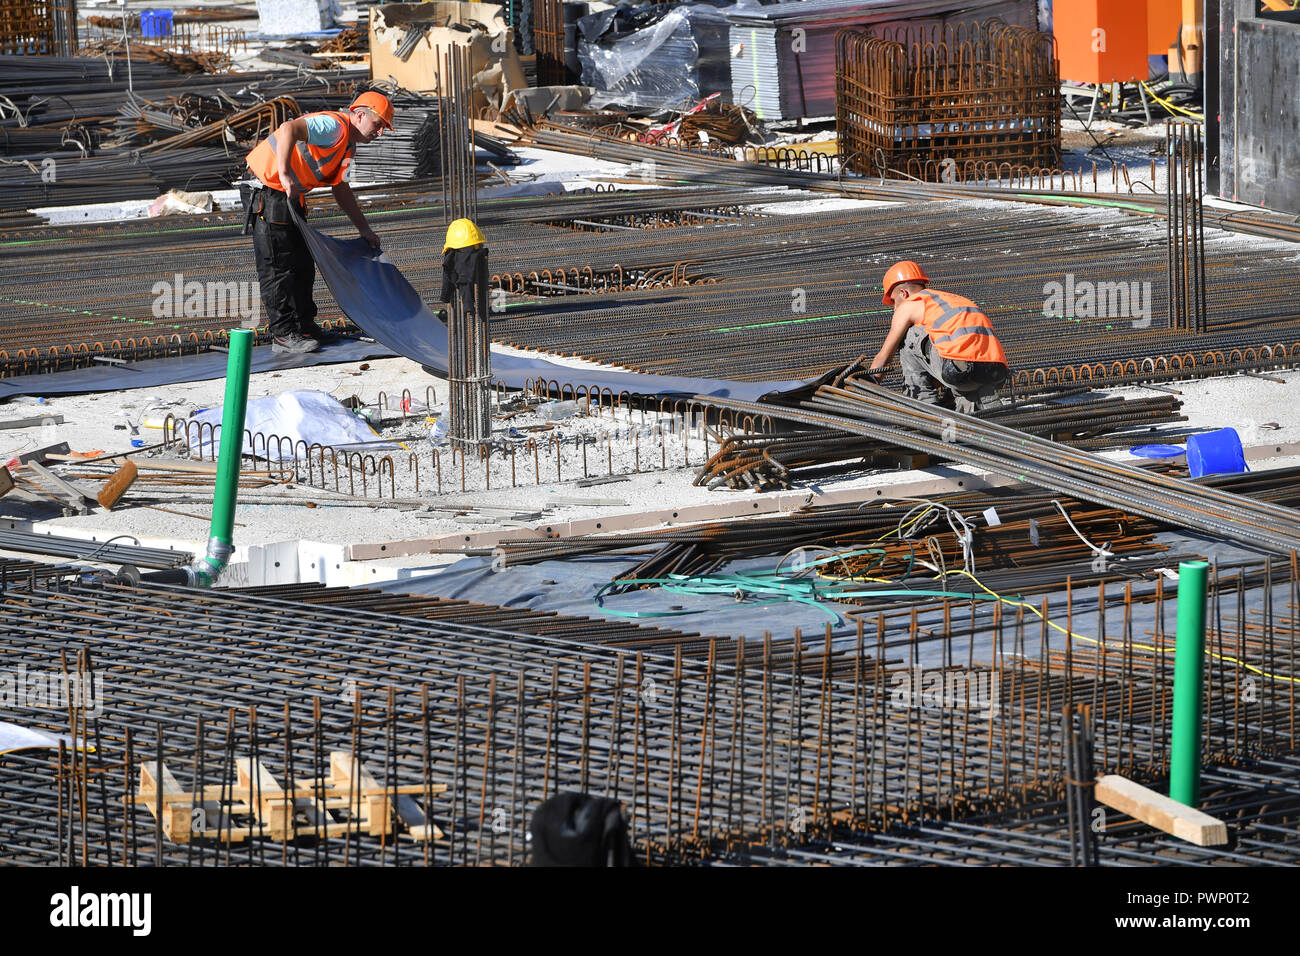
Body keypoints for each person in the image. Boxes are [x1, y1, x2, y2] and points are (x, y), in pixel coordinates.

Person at [241, 91, 394, 354]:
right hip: (267, 189)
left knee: (302, 264)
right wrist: (286, 173)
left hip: (287, 193)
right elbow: (289, 128)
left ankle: (305, 326)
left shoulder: (348, 144)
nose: (379, 132)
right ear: (359, 115)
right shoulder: (333, 126)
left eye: (383, 128)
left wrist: (364, 229)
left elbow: (340, 188)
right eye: (377, 124)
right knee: (278, 266)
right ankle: (284, 334)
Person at [867, 260, 1009, 413]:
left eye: (894, 301)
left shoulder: (910, 304)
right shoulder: (953, 299)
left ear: (904, 293)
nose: (895, 308)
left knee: (908, 336)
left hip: (959, 372)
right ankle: (963, 398)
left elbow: (884, 357)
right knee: (944, 343)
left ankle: (924, 405)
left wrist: (867, 388)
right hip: (996, 371)